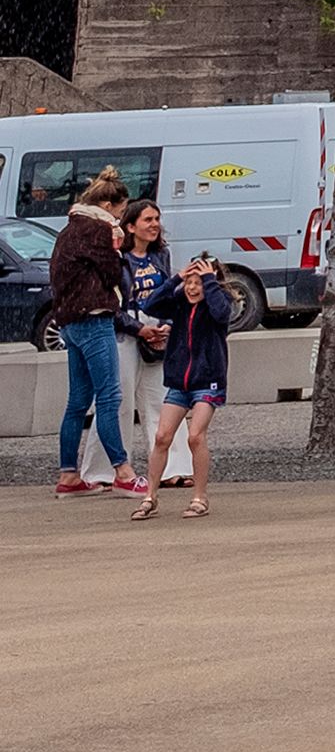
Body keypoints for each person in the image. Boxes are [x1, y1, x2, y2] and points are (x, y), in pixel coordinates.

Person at [47, 168, 137, 497]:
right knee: (110, 397)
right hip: (94, 318)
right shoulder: (100, 229)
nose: (123, 215)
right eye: (122, 208)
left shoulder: (68, 229)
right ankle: (123, 471)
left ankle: (68, 475)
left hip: (68, 321)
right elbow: (112, 271)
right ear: (109, 205)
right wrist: (117, 248)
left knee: (77, 403)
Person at [135, 253, 234, 523]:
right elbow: (151, 304)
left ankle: (200, 496)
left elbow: (222, 313)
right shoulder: (178, 302)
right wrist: (175, 279)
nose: (193, 288)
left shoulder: (219, 301)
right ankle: (150, 496)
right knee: (162, 436)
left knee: (195, 436)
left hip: (207, 380)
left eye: (198, 282)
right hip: (180, 381)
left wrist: (210, 282)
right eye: (190, 282)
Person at [115, 200, 171, 484]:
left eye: (157, 219)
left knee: (160, 400)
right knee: (121, 401)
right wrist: (138, 329)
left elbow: (170, 292)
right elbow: (113, 305)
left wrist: (166, 325)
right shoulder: (119, 259)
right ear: (130, 226)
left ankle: (169, 469)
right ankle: (109, 469)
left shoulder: (161, 255)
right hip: (127, 332)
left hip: (156, 328)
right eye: (147, 219)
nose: (154, 224)